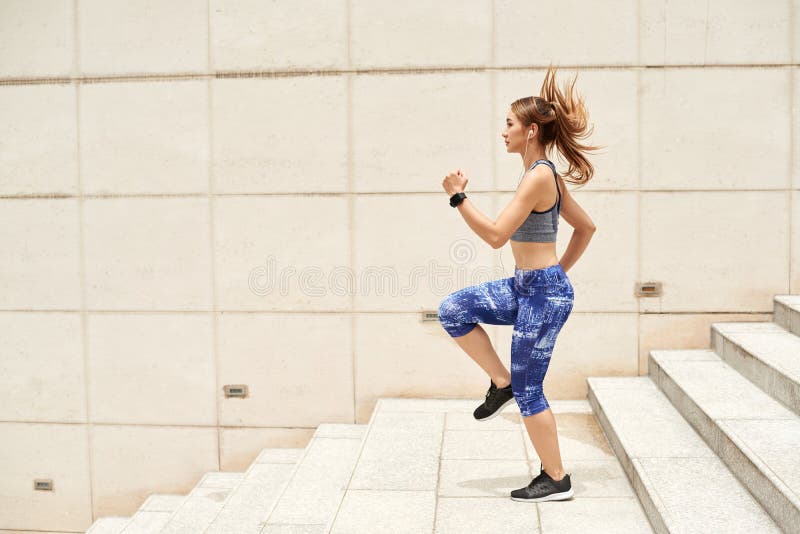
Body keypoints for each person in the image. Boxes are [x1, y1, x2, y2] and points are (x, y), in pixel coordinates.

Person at [438, 63, 601, 502]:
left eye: (508, 124)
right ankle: (500, 381)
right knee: (454, 310)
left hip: (542, 295)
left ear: (530, 131)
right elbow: (585, 228)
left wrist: (458, 196)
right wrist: (557, 273)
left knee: (532, 391)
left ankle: (556, 477)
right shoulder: (543, 173)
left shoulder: (539, 176)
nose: (503, 131)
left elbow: (495, 235)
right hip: (528, 287)